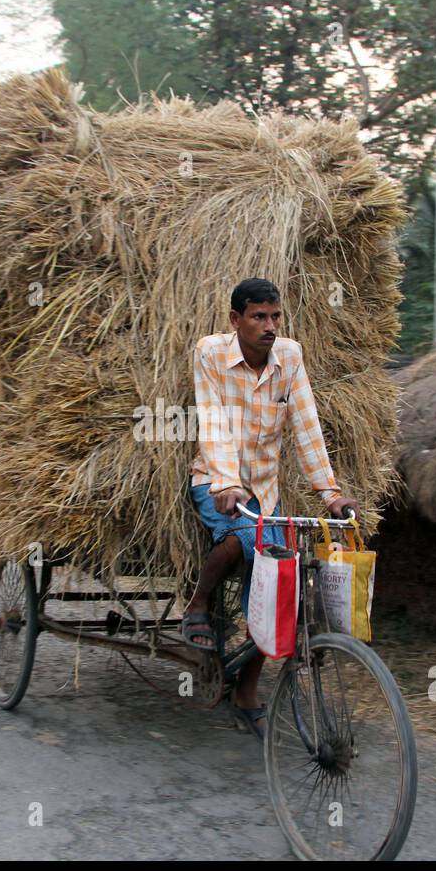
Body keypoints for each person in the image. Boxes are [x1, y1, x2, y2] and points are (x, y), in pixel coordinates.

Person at [182, 278, 360, 739]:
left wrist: (330, 493)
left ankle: (246, 690)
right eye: (259, 317)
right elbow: (214, 421)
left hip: (264, 489)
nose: (270, 326)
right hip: (215, 480)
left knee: (283, 595)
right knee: (242, 539)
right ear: (235, 320)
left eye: (275, 316)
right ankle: (198, 603)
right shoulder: (210, 353)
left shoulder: (290, 357)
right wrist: (226, 484)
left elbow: (306, 426)